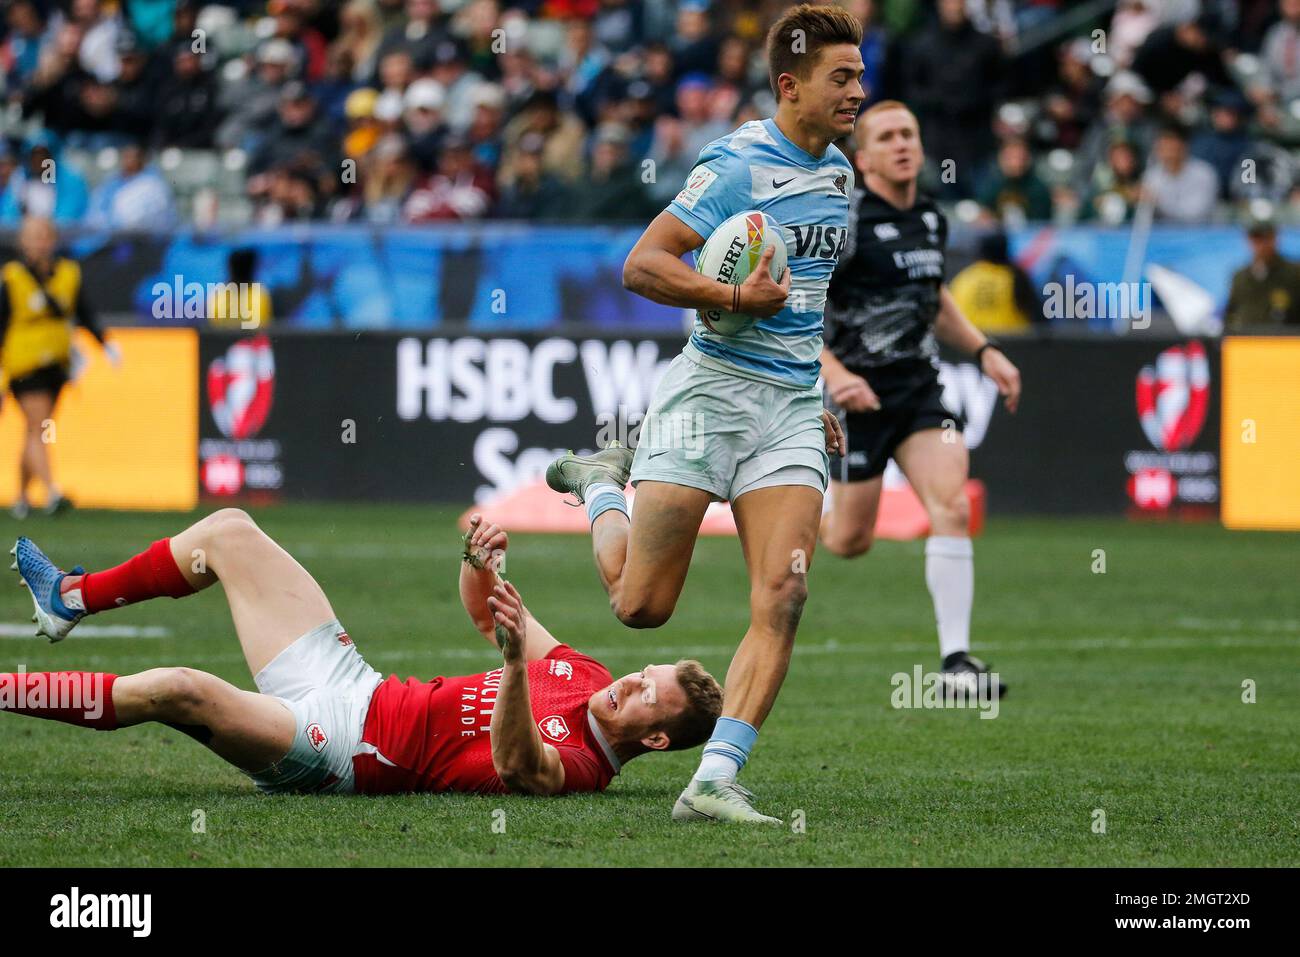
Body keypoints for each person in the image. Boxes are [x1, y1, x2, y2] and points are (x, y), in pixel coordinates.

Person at [544, 4, 860, 825]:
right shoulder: (735, 166)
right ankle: (601, 483)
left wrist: (816, 389)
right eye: (843, 78)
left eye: (860, 76)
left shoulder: (838, 175)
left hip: (788, 404)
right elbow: (642, 264)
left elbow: (809, 299)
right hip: (708, 392)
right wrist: (729, 296)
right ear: (791, 87)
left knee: (784, 595)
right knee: (643, 608)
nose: (858, 90)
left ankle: (714, 778)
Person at [4, 510, 723, 798]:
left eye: (644, 694)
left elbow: (516, 763)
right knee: (229, 532)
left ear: (655, 737)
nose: (628, 681)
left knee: (181, 687)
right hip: (353, 682)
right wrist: (479, 560)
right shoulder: (586, 673)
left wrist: (510, 665)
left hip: (339, 749)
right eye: (643, 670)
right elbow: (485, 610)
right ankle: (71, 595)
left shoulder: (586, 771)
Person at [818, 101, 1022, 697]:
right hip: (857, 399)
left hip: (921, 392)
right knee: (848, 542)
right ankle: (795, 509)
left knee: (952, 506)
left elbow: (935, 301)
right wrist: (834, 374)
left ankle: (956, 663)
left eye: (909, 132)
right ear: (865, 157)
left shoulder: (932, 218)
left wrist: (985, 351)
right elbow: (799, 309)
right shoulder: (845, 223)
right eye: (887, 136)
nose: (903, 143)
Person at [1, 216, 118, 519]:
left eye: (45, 236)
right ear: (23, 242)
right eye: (34, 236)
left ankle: (22, 498)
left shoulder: (68, 274)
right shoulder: (12, 278)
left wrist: (104, 343)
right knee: (38, 427)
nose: (40, 242)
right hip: (25, 363)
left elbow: (83, 312)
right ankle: (52, 491)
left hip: (58, 363)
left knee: (33, 430)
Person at [1224, 216, 1300, 330]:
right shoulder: (1239, 277)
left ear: (1274, 238)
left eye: (1265, 238)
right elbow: (1230, 315)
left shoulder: (1294, 273)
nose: (1261, 245)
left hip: (1284, 344)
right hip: (1245, 343)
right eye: (1256, 238)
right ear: (1248, 240)